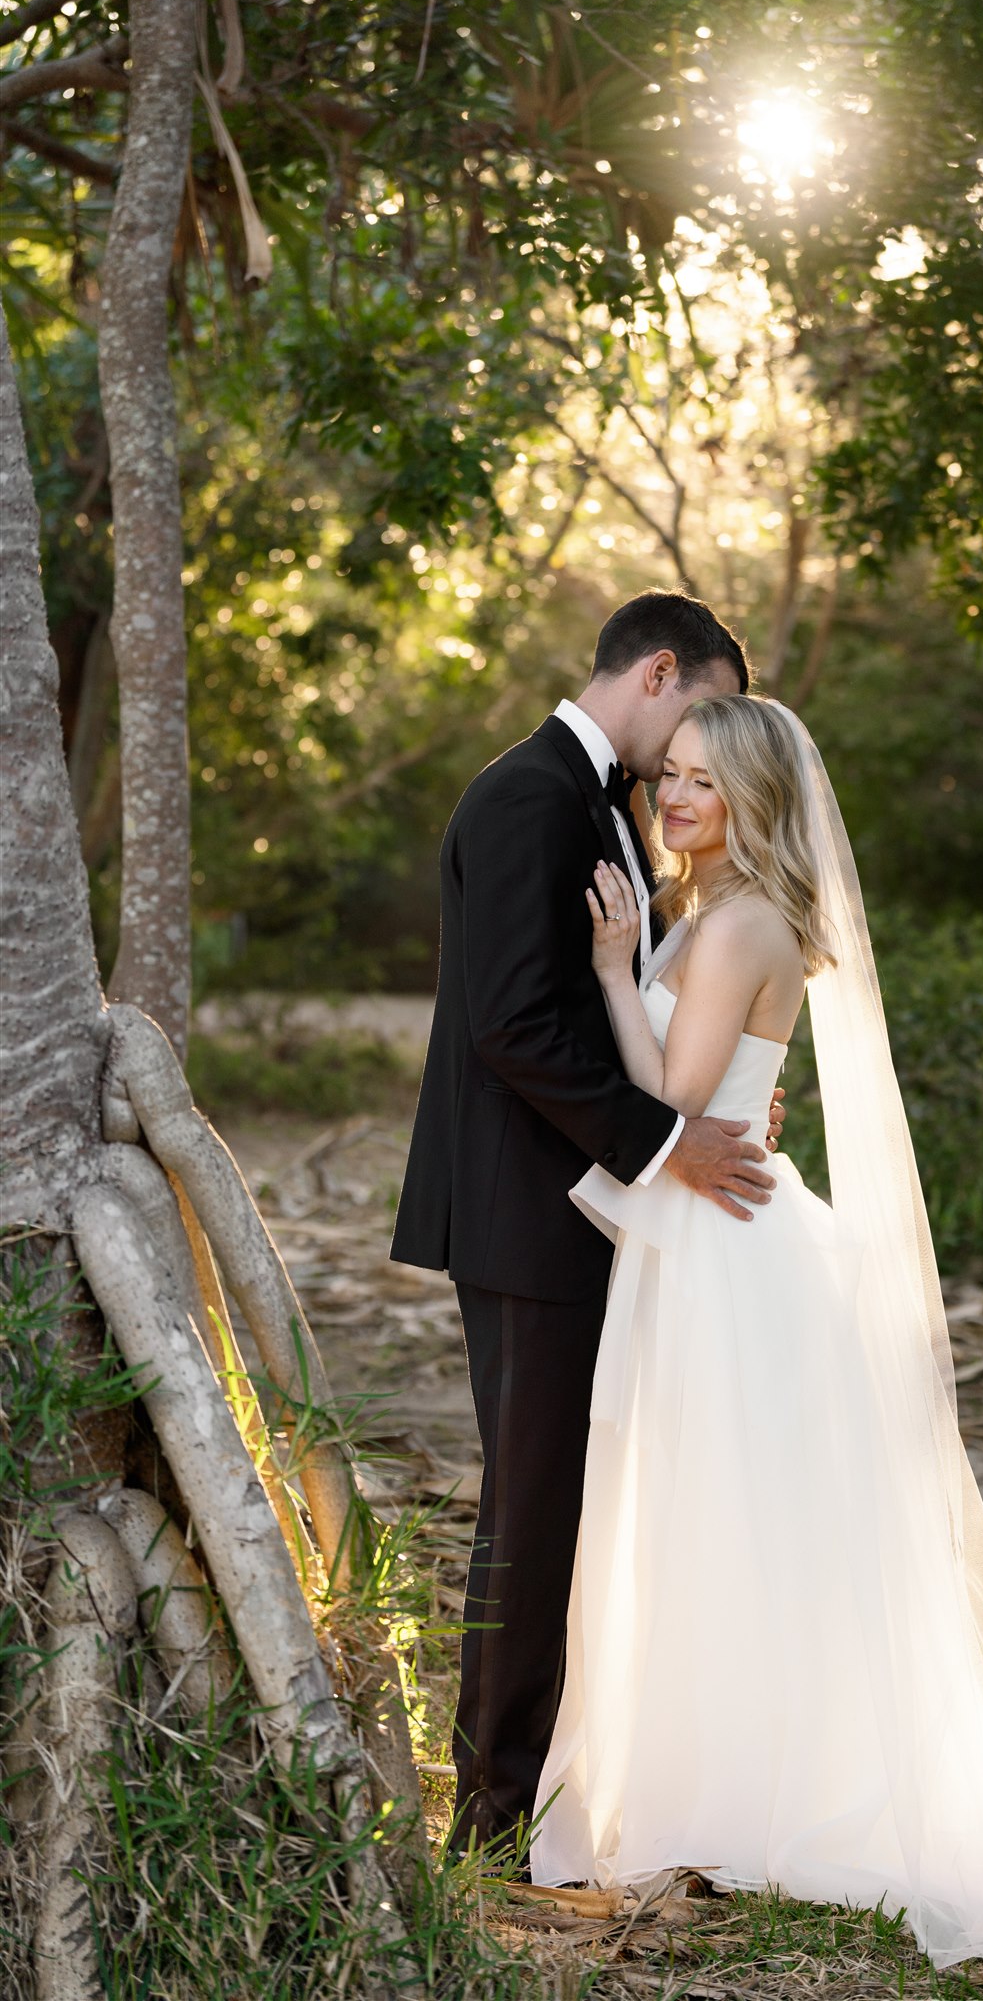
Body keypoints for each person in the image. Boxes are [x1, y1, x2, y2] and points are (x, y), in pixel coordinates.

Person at [531, 693, 983, 1991]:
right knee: (732, 1515)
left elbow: (669, 1102)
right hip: (722, 1237)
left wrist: (605, 968)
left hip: (723, 1258)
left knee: (722, 1511)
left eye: (701, 782)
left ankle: (746, 1785)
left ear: (752, 799)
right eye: (672, 776)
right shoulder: (729, 914)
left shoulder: (737, 918)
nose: (673, 798)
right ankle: (723, 1762)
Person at [390, 591, 784, 1854]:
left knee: (574, 1501)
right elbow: (512, 1024)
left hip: (590, 1212)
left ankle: (557, 1780)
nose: (695, 755)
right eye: (701, 711)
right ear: (660, 671)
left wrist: (698, 1110)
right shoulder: (530, 797)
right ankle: (491, 1818)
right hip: (528, 1215)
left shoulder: (593, 796)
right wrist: (668, 1143)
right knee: (533, 1508)